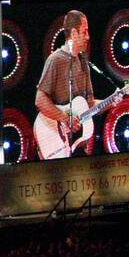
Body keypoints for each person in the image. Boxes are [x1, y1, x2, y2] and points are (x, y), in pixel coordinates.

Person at [34, 10, 96, 156]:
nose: (88, 37)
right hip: (53, 135)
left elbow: (90, 106)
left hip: (75, 145)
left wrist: (111, 101)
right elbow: (40, 100)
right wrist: (64, 118)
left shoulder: (84, 63)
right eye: (84, 32)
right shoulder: (55, 60)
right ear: (74, 33)